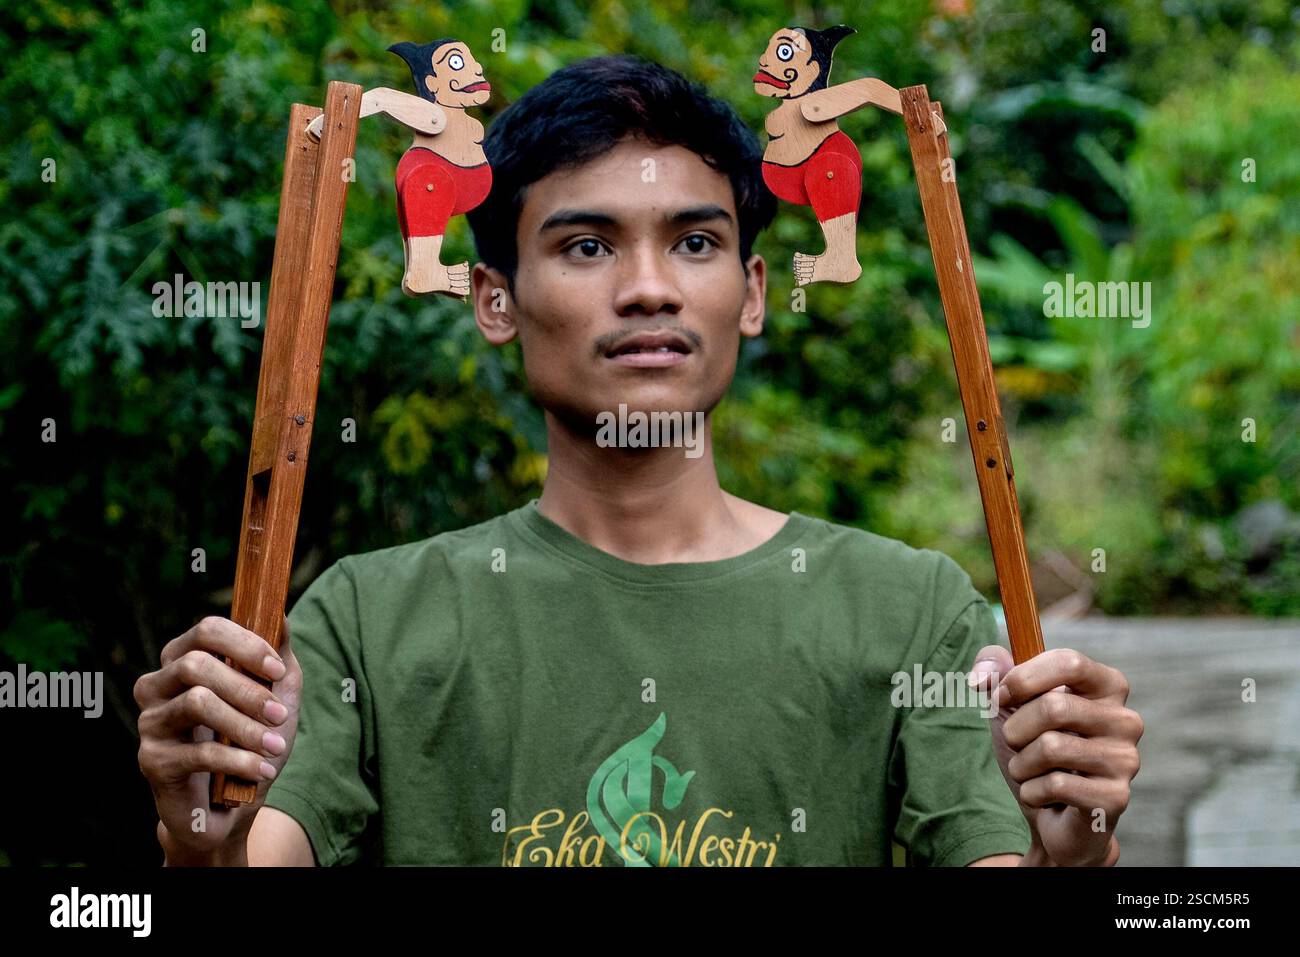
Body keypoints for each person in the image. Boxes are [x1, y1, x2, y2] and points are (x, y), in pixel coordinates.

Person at [134, 54, 1141, 867]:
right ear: (493, 299)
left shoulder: (910, 612)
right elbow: (251, 850)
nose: (650, 289)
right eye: (586, 247)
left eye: (695, 243)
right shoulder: (367, 621)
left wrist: (1076, 855)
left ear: (750, 293)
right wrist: (199, 842)